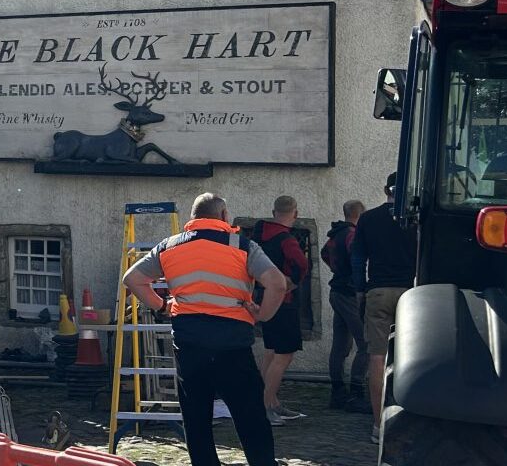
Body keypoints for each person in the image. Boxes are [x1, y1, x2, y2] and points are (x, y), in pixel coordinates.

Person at [123, 192, 287, 466]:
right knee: (250, 416)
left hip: (190, 343)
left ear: (192, 219)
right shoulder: (243, 245)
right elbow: (277, 283)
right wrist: (264, 315)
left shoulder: (169, 246)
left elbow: (133, 279)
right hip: (232, 343)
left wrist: (162, 306)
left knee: (196, 418)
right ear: (224, 216)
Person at [352, 175, 417, 444]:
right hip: (412, 293)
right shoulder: (415, 219)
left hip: (378, 290)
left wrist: (360, 289)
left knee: (376, 357)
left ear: (384, 191)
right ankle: (409, 419)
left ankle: (379, 425)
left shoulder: (368, 219)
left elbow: (358, 258)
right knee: (413, 358)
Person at [251, 195, 310, 425]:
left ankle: (271, 401)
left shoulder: (257, 236)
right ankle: (265, 406)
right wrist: (292, 282)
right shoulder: (286, 239)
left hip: (263, 297)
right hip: (283, 301)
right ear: (295, 213)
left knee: (272, 351)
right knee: (284, 354)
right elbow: (301, 265)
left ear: (273, 211)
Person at [322, 199, 371, 412]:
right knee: (366, 343)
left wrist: (337, 270)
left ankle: (338, 392)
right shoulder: (352, 234)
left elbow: (325, 254)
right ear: (361, 214)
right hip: (349, 293)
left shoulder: (336, 233)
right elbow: (357, 256)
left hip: (338, 290)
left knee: (341, 344)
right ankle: (357, 392)